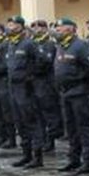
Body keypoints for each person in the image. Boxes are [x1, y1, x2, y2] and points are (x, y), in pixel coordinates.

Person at [53, 18, 89, 176]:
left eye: (60, 28)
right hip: (65, 93)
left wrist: (77, 79)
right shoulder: (61, 46)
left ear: (70, 29)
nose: (57, 30)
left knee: (83, 127)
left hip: (79, 92)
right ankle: (74, 159)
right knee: (71, 128)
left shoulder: (80, 45)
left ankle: (88, 161)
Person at [5, 15, 45, 169]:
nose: (10, 27)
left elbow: (42, 62)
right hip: (13, 88)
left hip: (26, 89)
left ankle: (37, 156)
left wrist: (31, 76)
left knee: (31, 122)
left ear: (21, 26)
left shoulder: (29, 44)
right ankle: (26, 154)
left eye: (13, 25)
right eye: (9, 25)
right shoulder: (11, 44)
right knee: (20, 123)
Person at [30, 20, 63, 150]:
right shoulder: (34, 43)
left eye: (39, 27)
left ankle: (51, 140)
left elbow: (47, 63)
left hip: (46, 82)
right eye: (34, 27)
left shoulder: (49, 44)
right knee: (38, 113)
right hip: (36, 83)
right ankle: (42, 139)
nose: (36, 30)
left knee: (48, 112)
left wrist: (31, 69)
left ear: (45, 29)